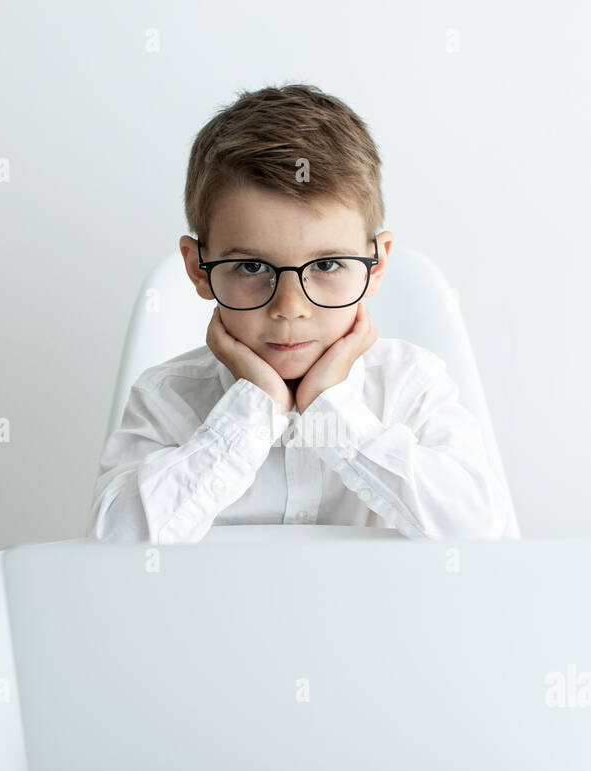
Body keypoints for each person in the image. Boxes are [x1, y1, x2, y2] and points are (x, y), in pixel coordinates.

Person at [88, 84, 514, 543]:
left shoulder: (412, 385)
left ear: (377, 264)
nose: (290, 308)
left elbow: (480, 535)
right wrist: (257, 409)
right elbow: (113, 546)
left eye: (327, 265)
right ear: (198, 268)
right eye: (252, 267)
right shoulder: (166, 398)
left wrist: (331, 405)